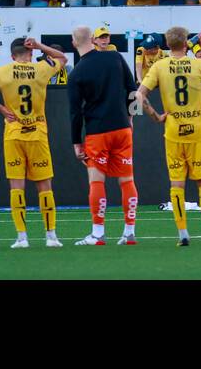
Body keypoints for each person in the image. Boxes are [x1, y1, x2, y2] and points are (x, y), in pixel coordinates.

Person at [135, 27, 201, 247]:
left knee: (177, 185)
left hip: (173, 132)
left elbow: (139, 95)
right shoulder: (198, 64)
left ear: (167, 45)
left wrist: (155, 116)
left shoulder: (159, 66)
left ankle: (183, 235)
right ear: (186, 44)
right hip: (197, 132)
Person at [0, 35, 69, 249]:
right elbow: (63, 58)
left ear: (12, 55)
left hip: (14, 134)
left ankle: (22, 237)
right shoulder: (41, 68)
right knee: (44, 186)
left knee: (17, 187)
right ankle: (51, 236)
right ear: (30, 53)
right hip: (37, 134)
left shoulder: (2, 72)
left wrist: (0, 107)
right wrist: (41, 45)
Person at [68, 24, 139, 246]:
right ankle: (129, 232)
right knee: (127, 180)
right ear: (93, 39)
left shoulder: (77, 72)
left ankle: (98, 234)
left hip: (97, 131)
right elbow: (133, 89)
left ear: (73, 43)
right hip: (122, 128)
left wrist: (76, 142)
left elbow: (75, 111)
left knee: (96, 181)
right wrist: (131, 117)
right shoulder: (115, 58)